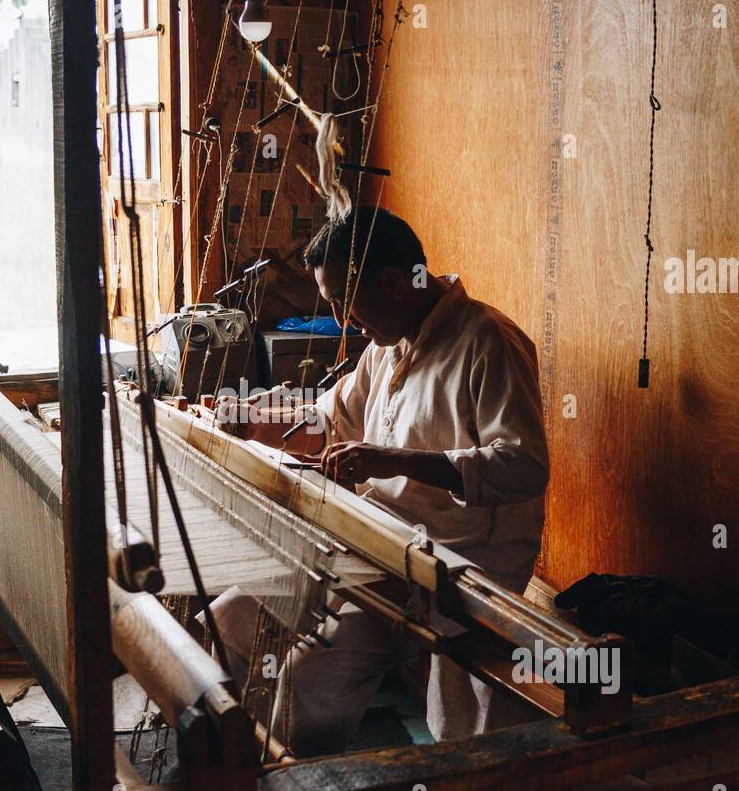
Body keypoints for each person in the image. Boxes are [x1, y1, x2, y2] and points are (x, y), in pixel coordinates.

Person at [212, 205, 549, 756]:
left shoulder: (489, 342)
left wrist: (396, 459)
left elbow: (524, 466)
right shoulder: (387, 347)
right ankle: (233, 765)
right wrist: (250, 418)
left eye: (344, 301)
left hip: (456, 563)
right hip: (378, 540)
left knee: (309, 676)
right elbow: (327, 420)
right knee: (233, 618)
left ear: (393, 282)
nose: (343, 319)